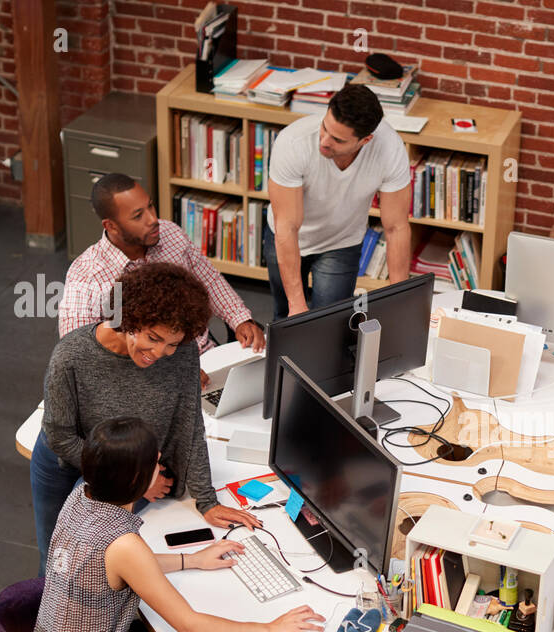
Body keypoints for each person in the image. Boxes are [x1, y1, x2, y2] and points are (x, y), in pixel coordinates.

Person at [35, 416, 326, 632]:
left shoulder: (80, 497)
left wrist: (193, 560)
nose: (159, 456)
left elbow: (123, 566)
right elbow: (189, 625)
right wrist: (270, 629)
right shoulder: (123, 544)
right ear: (136, 478)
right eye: (154, 459)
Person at [31, 262, 258, 575]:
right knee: (57, 561)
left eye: (172, 343)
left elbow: (190, 424)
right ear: (129, 318)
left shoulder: (183, 354)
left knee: (98, 562)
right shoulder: (71, 357)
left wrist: (207, 501)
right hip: (63, 463)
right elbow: (61, 437)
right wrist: (134, 482)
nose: (160, 352)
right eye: (153, 337)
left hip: (130, 467)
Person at [57, 173, 265, 379]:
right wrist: (173, 376)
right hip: (146, 378)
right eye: (138, 216)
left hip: (205, 357)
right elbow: (78, 354)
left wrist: (240, 319)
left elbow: (209, 280)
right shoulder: (86, 275)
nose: (153, 219)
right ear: (110, 226)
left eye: (150, 206)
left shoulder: (170, 233)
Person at [263, 84, 412, 317]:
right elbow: (287, 226)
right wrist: (296, 306)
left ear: (365, 140)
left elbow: (396, 227)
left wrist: (400, 299)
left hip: (342, 243)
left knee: (331, 324)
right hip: (287, 236)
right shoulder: (293, 143)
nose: (324, 141)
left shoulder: (390, 150)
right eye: (324, 128)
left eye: (338, 140)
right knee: (286, 320)